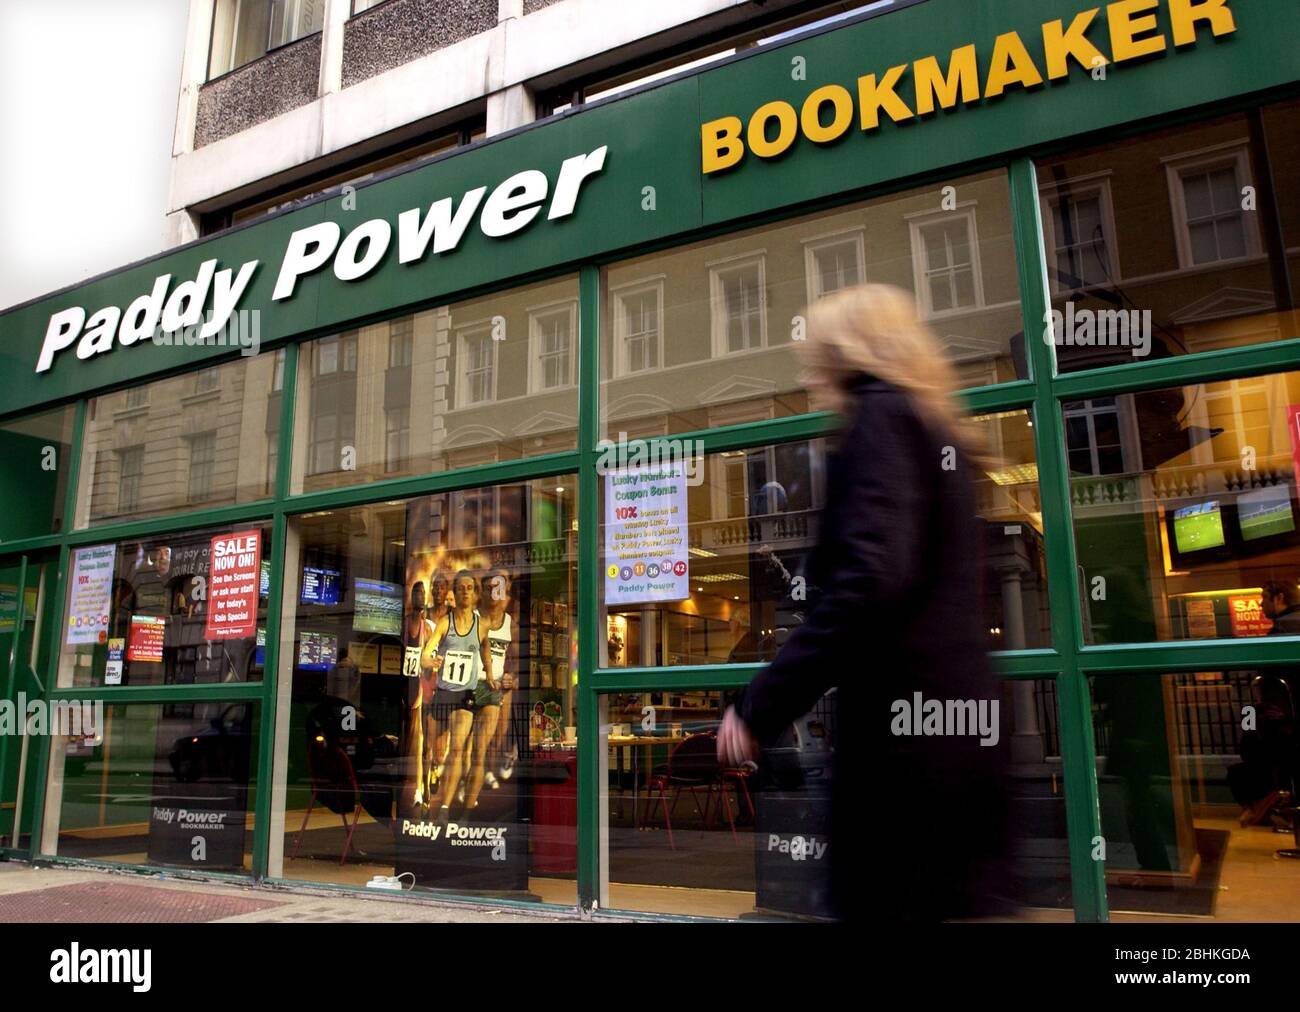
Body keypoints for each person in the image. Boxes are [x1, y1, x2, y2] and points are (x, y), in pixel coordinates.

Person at [716, 283, 1013, 923]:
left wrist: (760, 704)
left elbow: (868, 582)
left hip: (904, 756)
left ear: (847, 355)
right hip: (954, 734)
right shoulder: (934, 426)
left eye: (815, 361)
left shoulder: (881, 420)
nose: (806, 379)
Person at [423, 570, 494, 824]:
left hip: (465, 696)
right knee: (431, 751)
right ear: (455, 592)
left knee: (457, 748)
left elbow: (485, 648)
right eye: (461, 588)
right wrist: (430, 660)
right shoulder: (445, 622)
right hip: (443, 694)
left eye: (469, 588)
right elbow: (426, 652)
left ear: (475, 593)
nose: (465, 592)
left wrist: (490, 673)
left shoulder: (481, 625)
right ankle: (432, 774)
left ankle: (444, 807)